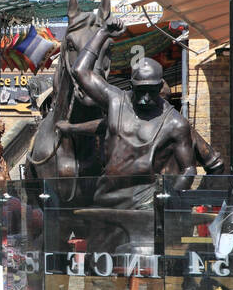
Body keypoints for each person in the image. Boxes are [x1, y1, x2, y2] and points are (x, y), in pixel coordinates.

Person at [66, 19, 195, 211]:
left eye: (150, 91)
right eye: (139, 91)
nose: (144, 99)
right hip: (106, 200)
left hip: (145, 204)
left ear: (160, 86)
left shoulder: (175, 123)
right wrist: (103, 33)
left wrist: (165, 199)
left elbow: (189, 169)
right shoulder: (116, 100)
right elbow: (80, 70)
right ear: (132, 86)